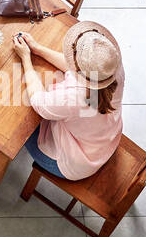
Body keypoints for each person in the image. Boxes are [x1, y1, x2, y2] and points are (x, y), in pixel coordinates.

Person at [12, 21, 124, 181]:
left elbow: (39, 101)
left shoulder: (75, 98)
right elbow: (73, 68)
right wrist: (37, 49)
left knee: (17, 124)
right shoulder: (112, 68)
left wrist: (26, 59)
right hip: (104, 141)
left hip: (74, 164)